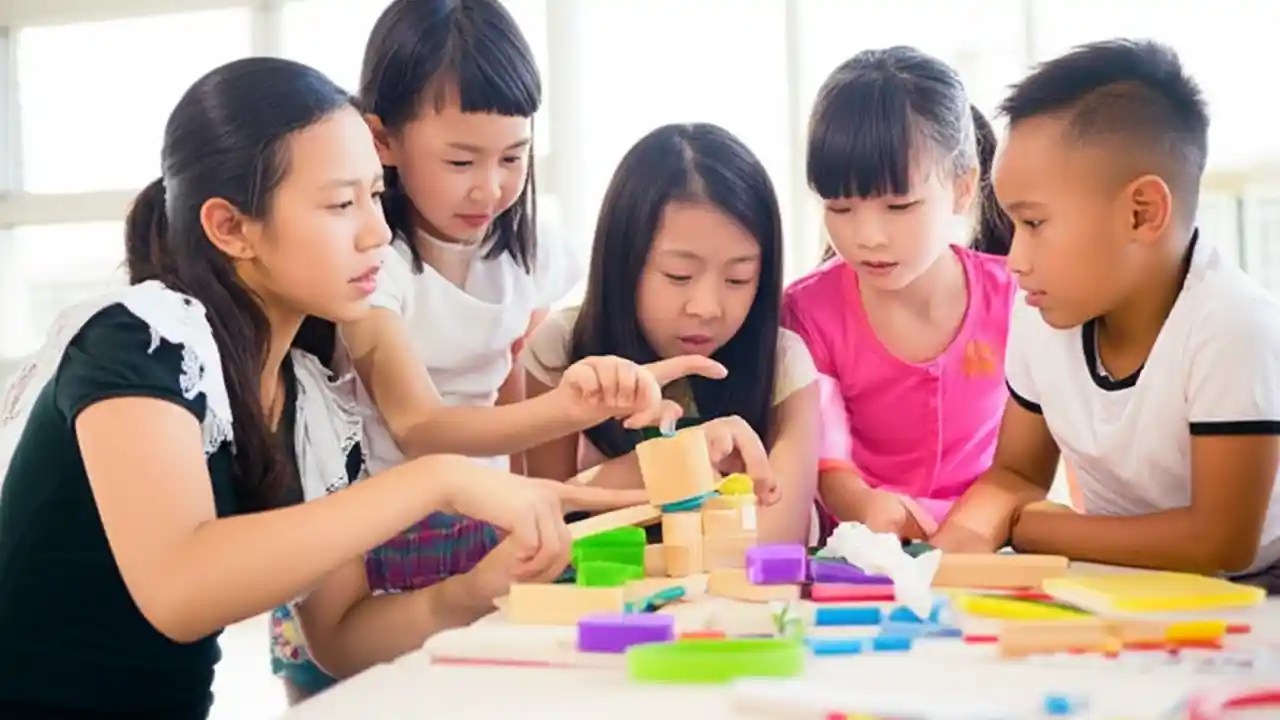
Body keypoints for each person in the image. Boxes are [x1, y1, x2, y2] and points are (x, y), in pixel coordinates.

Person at [0, 56, 624, 718]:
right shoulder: (142, 341)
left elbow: (341, 635)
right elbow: (179, 587)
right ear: (231, 228)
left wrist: (473, 591)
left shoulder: (306, 397)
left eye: (376, 196)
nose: (378, 233)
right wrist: (435, 479)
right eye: (340, 204)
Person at [268, 1, 732, 699]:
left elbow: (508, 380)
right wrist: (571, 408)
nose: (490, 186)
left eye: (514, 156)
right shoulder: (370, 263)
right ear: (382, 142)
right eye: (460, 160)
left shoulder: (528, 250)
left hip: (478, 523)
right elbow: (418, 426)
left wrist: (540, 489)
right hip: (367, 544)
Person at [932, 40, 1280, 591]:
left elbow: (1221, 542)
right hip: (1122, 578)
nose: (1015, 259)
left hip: (1254, 586)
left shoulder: (1234, 326)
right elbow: (1018, 474)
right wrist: (957, 545)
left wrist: (1044, 532)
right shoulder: (1041, 311)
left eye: (1035, 224)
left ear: (1142, 213)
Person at [523, 123, 815, 544]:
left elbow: (780, 542)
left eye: (738, 278)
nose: (707, 308)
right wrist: (681, 459)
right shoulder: (561, 348)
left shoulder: (782, 360)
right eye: (679, 275)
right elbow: (546, 525)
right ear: (624, 259)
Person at [781, 47, 1016, 539]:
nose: (868, 237)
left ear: (962, 187)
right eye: (840, 208)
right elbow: (827, 462)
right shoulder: (808, 313)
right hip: (862, 549)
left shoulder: (1016, 297)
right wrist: (872, 510)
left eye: (899, 205)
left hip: (992, 542)